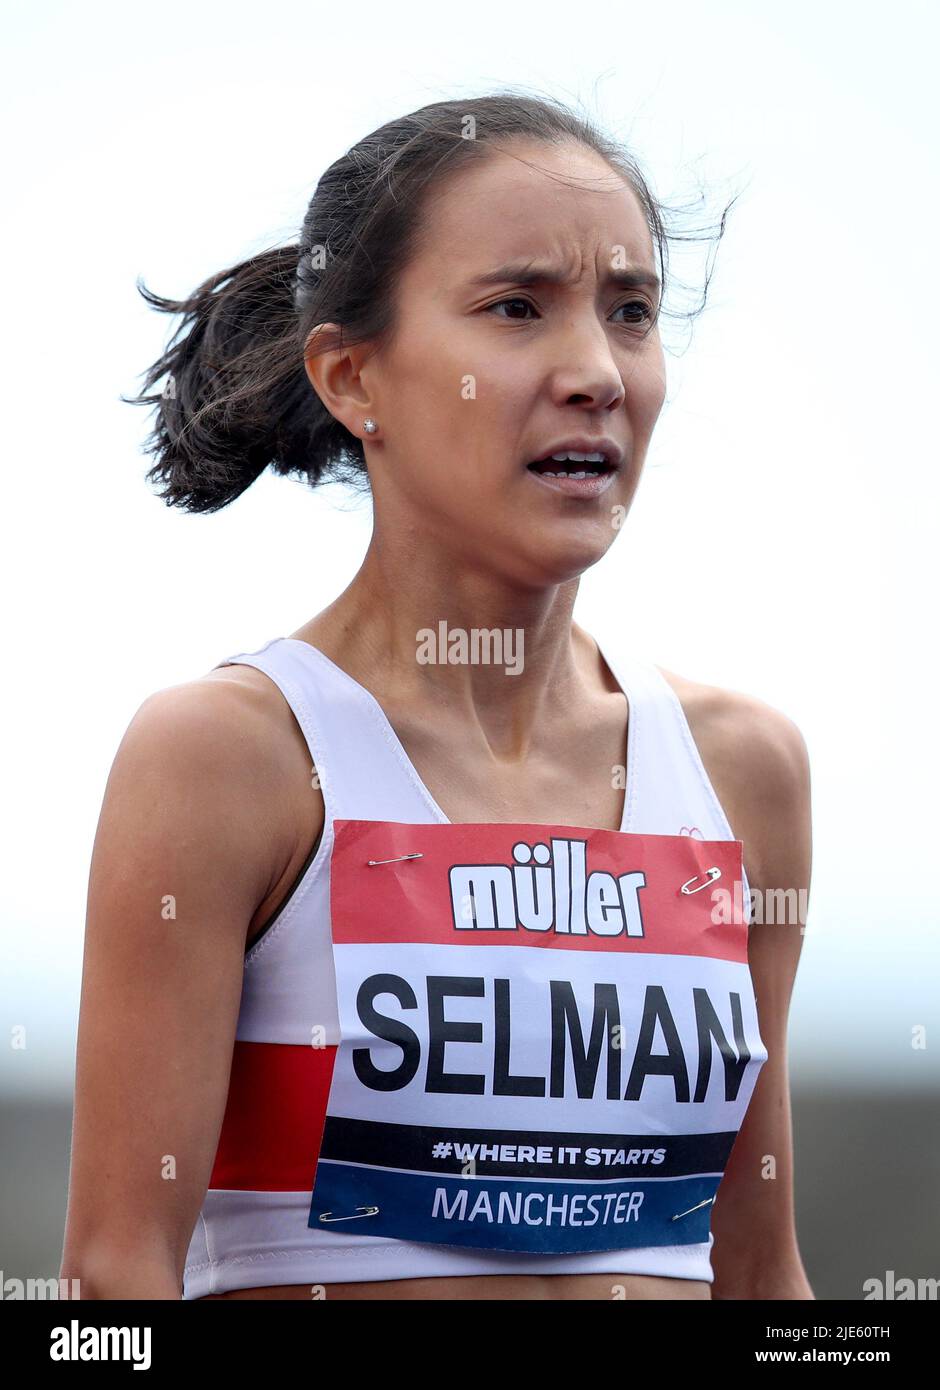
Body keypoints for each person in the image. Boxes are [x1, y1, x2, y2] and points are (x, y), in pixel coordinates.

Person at [60, 90, 814, 1301]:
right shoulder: (229, 755)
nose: (595, 372)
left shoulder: (744, 768)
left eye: (630, 312)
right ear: (353, 377)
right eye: (517, 307)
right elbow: (109, 1284)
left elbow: (764, 1279)